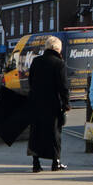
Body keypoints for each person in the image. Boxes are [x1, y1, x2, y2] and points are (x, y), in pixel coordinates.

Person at [27, 36, 69, 172]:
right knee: (54, 133)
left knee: (36, 132)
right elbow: (63, 86)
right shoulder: (59, 63)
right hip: (53, 104)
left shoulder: (36, 61)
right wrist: (66, 103)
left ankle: (36, 163)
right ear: (57, 48)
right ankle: (55, 162)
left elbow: (31, 82)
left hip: (36, 103)